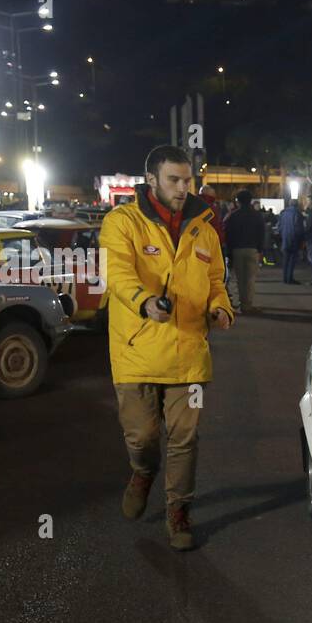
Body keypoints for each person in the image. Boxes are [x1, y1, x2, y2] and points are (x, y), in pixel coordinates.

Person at [98, 144, 233, 551]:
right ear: (151, 180)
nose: (182, 187)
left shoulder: (205, 228)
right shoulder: (121, 222)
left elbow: (215, 282)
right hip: (136, 349)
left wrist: (220, 308)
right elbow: (116, 273)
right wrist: (143, 300)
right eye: (173, 179)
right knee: (141, 436)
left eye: (186, 179)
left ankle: (179, 512)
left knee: (184, 439)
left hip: (190, 352)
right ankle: (142, 472)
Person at [223, 190, 265, 312]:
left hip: (237, 250)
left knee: (240, 279)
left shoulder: (233, 216)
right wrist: (260, 249)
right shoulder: (257, 215)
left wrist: (229, 252)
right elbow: (261, 233)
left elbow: (228, 235)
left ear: (238, 201)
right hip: (252, 249)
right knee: (250, 279)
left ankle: (242, 303)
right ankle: (248, 304)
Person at [277, 198, 305, 285]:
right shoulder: (297, 214)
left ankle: (285, 278)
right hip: (294, 239)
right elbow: (299, 228)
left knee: (285, 260)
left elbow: (279, 226)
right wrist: (301, 239)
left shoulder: (283, 213)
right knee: (292, 260)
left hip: (285, 239)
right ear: (297, 205)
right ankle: (289, 278)